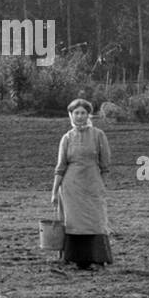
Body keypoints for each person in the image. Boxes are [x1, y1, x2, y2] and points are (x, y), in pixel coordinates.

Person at [51, 98, 113, 270]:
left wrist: (102, 185)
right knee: (72, 222)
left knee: (95, 220)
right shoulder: (67, 138)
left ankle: (97, 258)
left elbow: (105, 165)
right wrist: (54, 192)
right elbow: (60, 167)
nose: (79, 116)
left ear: (88, 115)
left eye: (83, 113)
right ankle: (74, 258)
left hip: (92, 184)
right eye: (76, 113)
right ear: (71, 115)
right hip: (71, 187)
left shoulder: (99, 135)